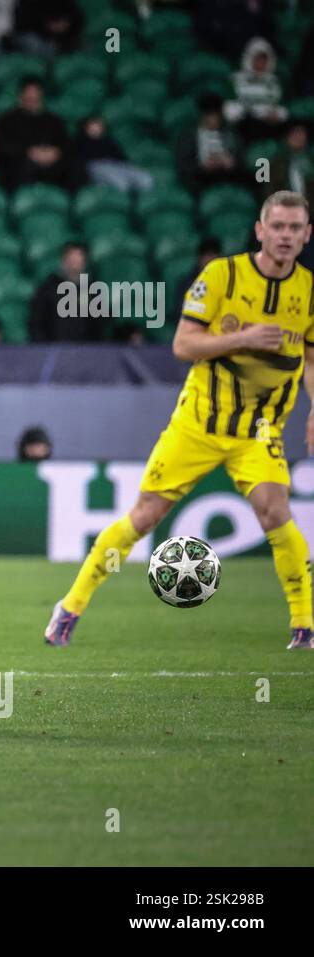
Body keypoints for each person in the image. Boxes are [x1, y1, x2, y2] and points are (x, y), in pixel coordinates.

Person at [46, 191, 314, 651]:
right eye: (278, 226)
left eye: (295, 228)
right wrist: (245, 338)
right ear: (260, 230)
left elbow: (310, 355)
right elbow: (183, 346)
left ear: (307, 234)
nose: (285, 236)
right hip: (197, 424)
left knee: (276, 511)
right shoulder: (223, 275)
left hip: (259, 429)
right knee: (145, 516)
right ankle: (70, 607)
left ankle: (304, 626)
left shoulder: (308, 288)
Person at [0, 76, 74, 192]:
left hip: (53, 164)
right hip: (21, 165)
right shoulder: (6, 120)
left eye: (36, 94)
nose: (32, 98)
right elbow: (2, 146)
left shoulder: (54, 120)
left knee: (74, 166)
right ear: (20, 96)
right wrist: (30, 152)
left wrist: (55, 152)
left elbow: (66, 143)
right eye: (29, 95)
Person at [28, 242, 100, 342]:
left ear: (85, 262)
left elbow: (99, 326)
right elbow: (36, 322)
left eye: (78, 260)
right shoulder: (48, 288)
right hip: (53, 348)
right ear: (63, 260)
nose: (74, 265)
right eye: (71, 260)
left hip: (85, 349)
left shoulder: (93, 290)